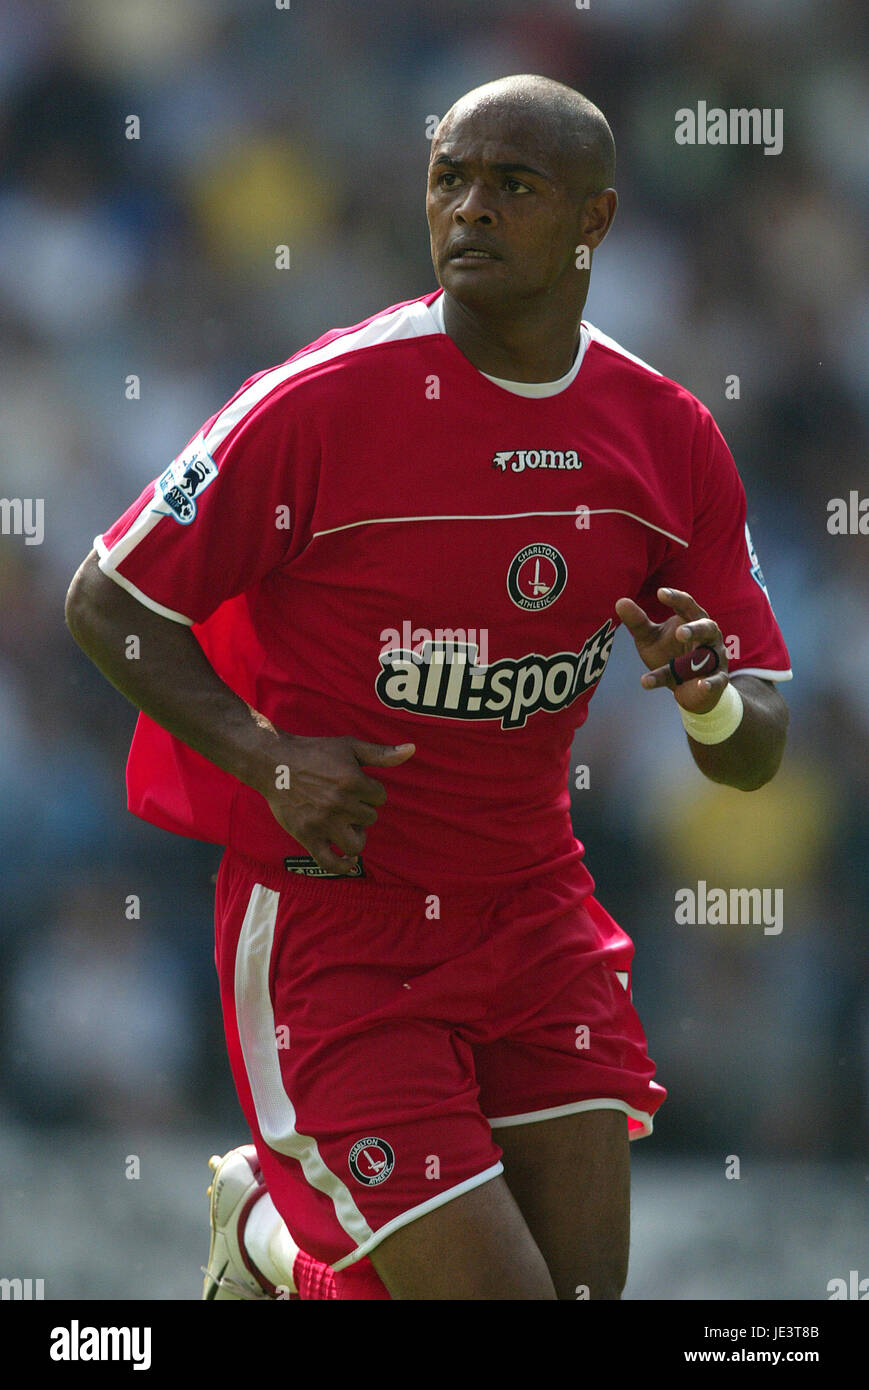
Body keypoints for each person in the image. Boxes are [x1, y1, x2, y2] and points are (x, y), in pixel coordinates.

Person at [65, 74, 791, 1301]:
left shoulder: (662, 434)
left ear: (592, 221)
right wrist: (260, 753)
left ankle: (274, 1253)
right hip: (339, 919)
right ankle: (275, 1239)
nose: (468, 209)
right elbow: (106, 598)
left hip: (534, 913)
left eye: (511, 186)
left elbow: (754, 741)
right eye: (449, 179)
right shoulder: (322, 404)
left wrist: (705, 693)